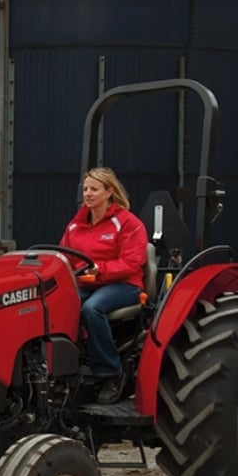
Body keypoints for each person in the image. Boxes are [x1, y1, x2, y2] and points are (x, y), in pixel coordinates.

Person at [59, 167, 149, 404]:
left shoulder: (129, 224)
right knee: (57, 305)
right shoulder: (75, 225)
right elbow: (65, 257)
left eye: (94, 189)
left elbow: (131, 263)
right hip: (87, 282)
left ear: (109, 192)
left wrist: (100, 271)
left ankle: (110, 371)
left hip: (124, 285)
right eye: (86, 189)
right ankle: (68, 365)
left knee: (92, 308)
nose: (87, 194)